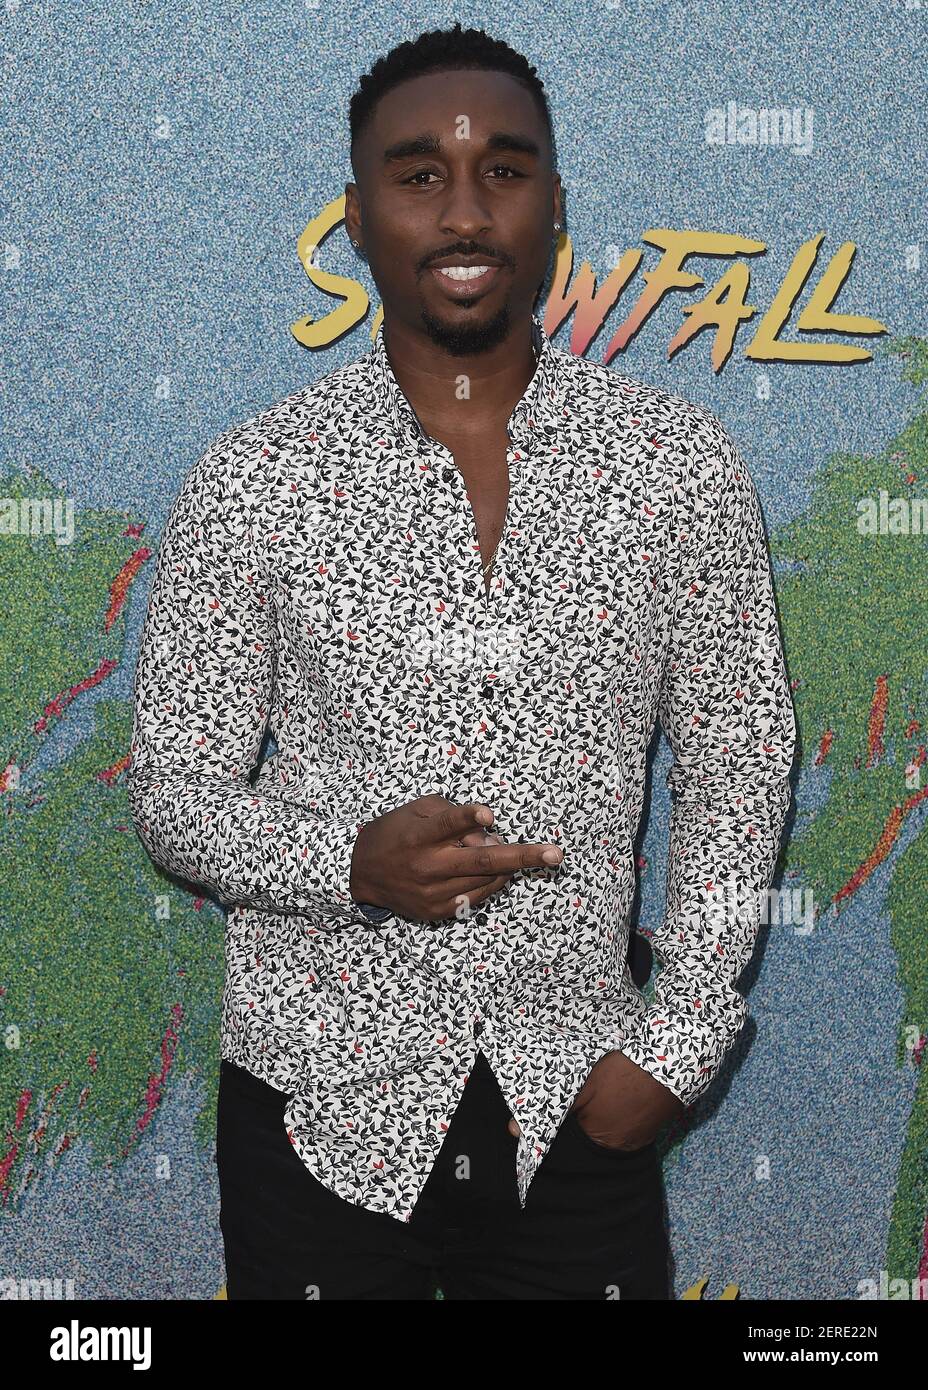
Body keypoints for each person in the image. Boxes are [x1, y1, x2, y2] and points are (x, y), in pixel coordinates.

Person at [127, 23, 797, 1300]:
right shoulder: (255, 478)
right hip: (316, 1105)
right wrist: (349, 863)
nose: (464, 210)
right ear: (358, 216)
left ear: (554, 207)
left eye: (504, 168)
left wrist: (677, 1043)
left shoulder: (678, 468)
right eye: (418, 175)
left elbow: (740, 765)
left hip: (578, 1099)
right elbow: (176, 794)